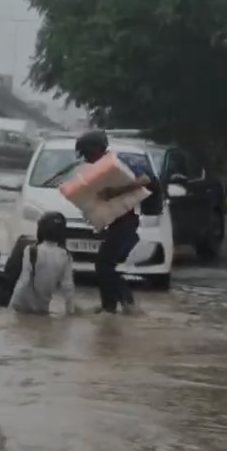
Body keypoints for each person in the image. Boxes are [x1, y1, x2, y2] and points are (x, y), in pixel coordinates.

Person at [74, 130, 156, 314]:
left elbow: (145, 179)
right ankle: (111, 307)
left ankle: (127, 305)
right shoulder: (101, 168)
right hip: (116, 224)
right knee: (105, 264)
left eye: (87, 154)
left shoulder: (119, 162)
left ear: (96, 150)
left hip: (128, 223)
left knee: (104, 264)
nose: (86, 159)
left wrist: (115, 192)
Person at [9, 212, 77, 315]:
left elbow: (23, 281)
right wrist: (70, 311)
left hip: (24, 306)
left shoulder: (32, 250)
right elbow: (68, 287)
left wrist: (11, 306)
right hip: (43, 308)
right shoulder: (66, 256)